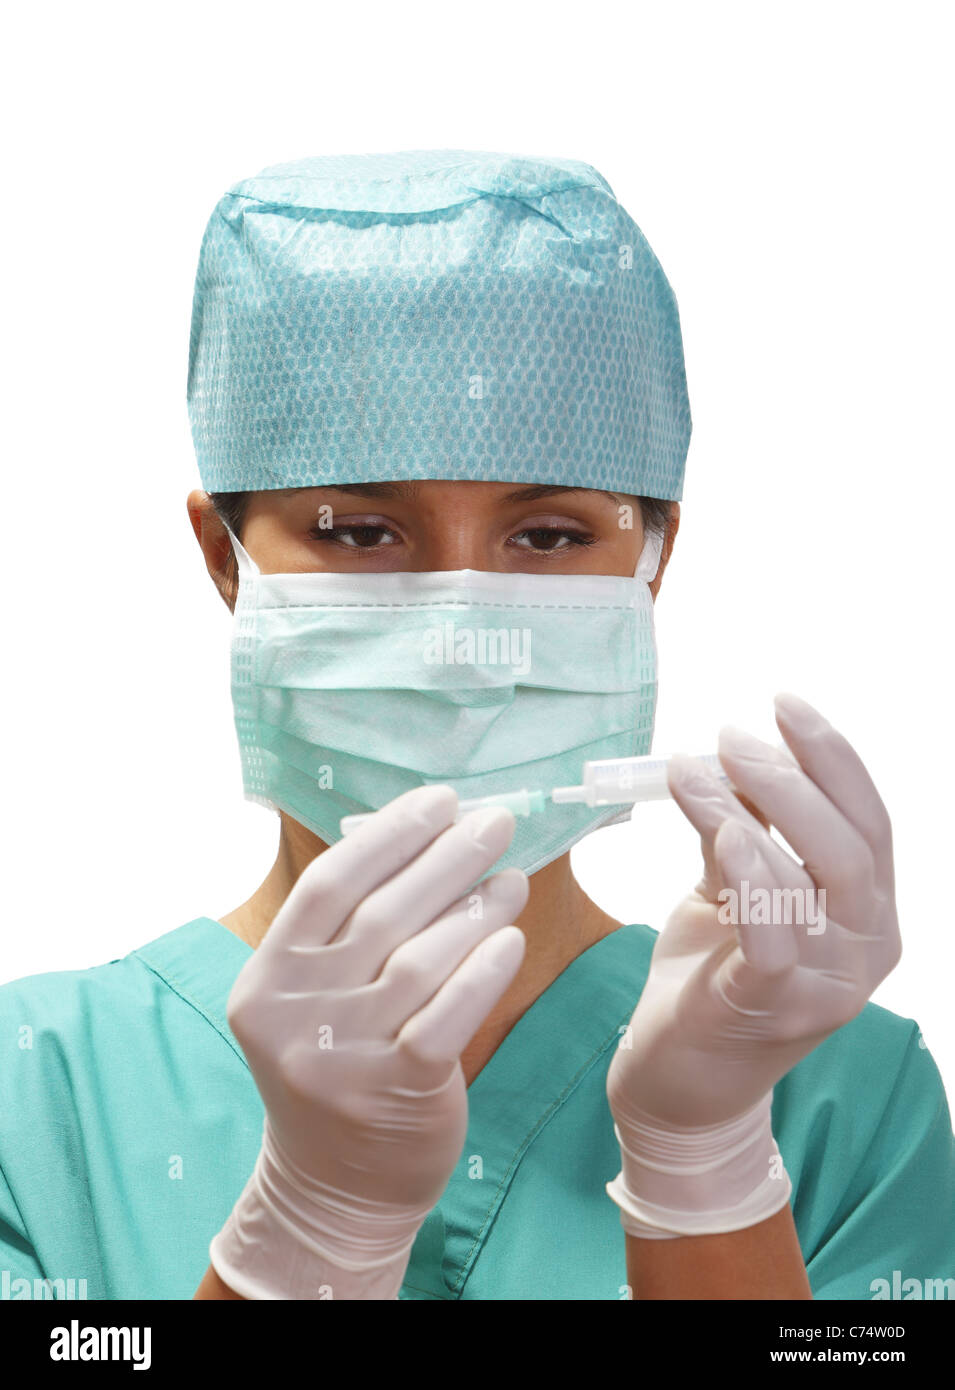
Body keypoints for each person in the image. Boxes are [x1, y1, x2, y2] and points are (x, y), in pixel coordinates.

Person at [0, 151, 952, 1302]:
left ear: (650, 566)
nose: (461, 637)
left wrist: (706, 1166)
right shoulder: (35, 1097)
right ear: (224, 558)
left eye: (546, 537)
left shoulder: (834, 1086)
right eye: (358, 531)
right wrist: (306, 1230)